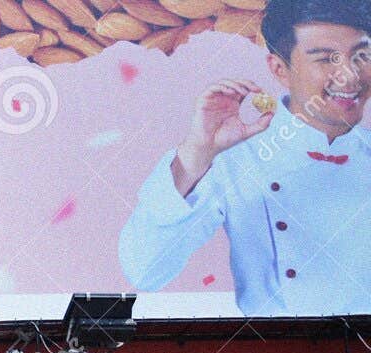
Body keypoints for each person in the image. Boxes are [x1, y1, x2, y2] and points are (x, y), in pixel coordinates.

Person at [118, 0, 371, 315]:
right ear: (280, 69)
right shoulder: (234, 157)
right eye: (325, 59)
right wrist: (196, 154)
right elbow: (145, 270)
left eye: (361, 56)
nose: (349, 76)